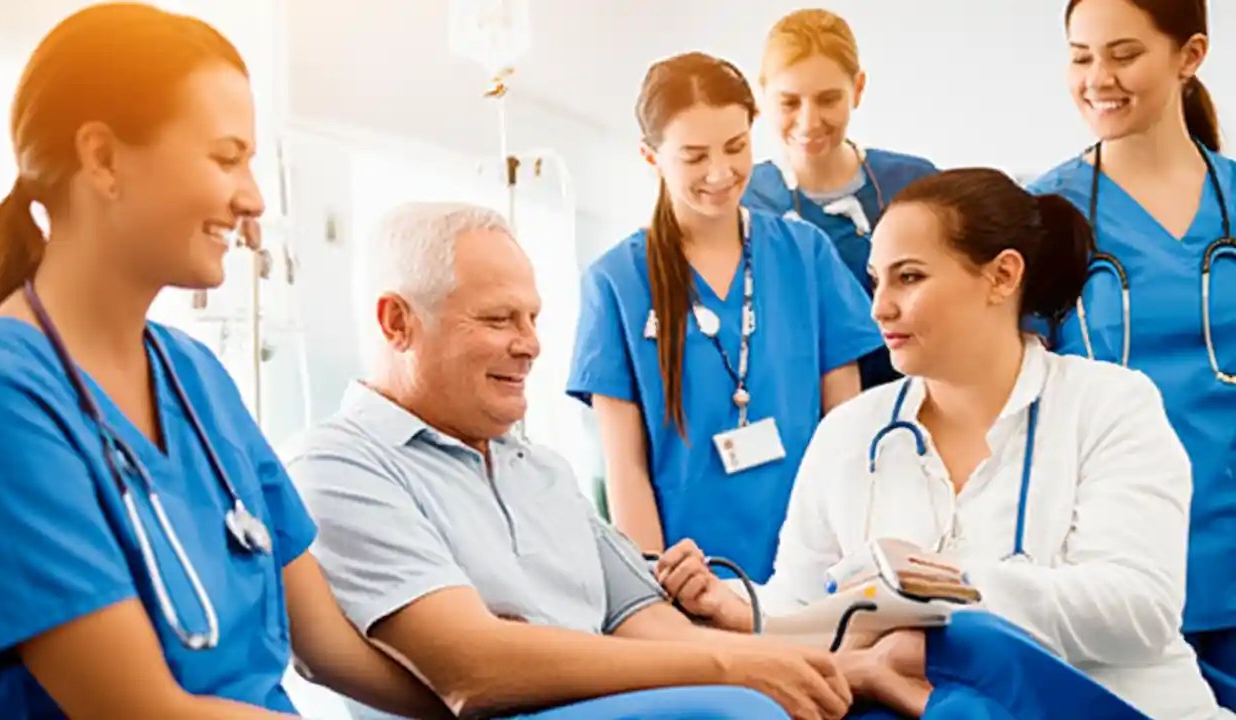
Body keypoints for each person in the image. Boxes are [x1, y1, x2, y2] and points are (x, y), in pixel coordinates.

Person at [0, 5, 447, 718]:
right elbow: (140, 710)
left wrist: (478, 704)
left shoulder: (195, 379)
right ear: (102, 158)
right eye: (226, 157)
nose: (252, 198)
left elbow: (327, 646)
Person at [283, 200, 948, 720]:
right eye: (497, 320)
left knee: (911, 680)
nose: (530, 345)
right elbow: (476, 668)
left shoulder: (539, 470)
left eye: (533, 318)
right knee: (741, 710)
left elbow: (652, 628)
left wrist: (834, 670)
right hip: (522, 712)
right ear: (397, 322)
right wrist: (734, 671)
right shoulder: (343, 466)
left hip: (621, 698)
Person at [653, 168, 1227, 719]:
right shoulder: (851, 432)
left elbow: (1136, 609)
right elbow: (804, 606)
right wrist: (734, 606)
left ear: (1002, 276)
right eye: (876, 281)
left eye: (909, 277)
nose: (880, 307)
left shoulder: (1109, 404)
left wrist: (936, 591)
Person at [566, 52, 882, 584]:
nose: (720, 172)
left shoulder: (806, 254)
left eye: (736, 147)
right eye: (693, 156)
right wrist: (657, 592)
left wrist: (847, 566)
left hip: (815, 566)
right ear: (651, 157)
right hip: (690, 576)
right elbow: (626, 468)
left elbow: (844, 433)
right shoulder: (616, 281)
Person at [1028, 0, 1236, 708]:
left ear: (1191, 55)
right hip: (1111, 559)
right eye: (1081, 56)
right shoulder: (1042, 216)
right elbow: (1014, 394)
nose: (1097, 78)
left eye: (1122, 54)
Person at [742, 8, 939, 390]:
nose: (809, 121)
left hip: (916, 407)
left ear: (859, 89)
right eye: (789, 102)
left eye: (828, 99)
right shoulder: (748, 201)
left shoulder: (916, 185)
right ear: (761, 97)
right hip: (800, 414)